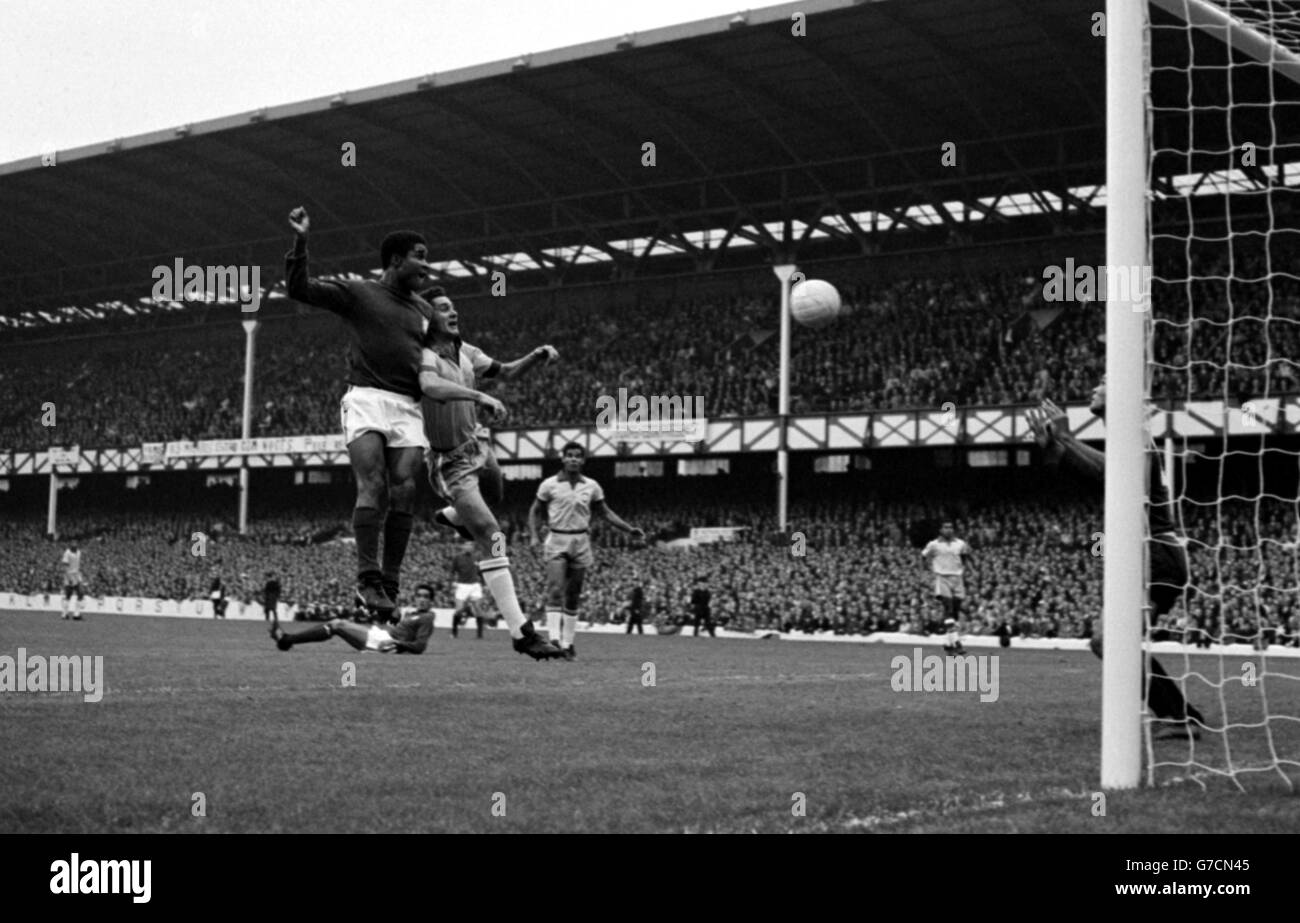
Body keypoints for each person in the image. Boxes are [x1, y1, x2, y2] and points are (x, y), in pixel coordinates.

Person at [1028, 378, 1206, 740]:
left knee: (1110, 640)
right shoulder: (1128, 439)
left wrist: (1066, 440)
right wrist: (1057, 447)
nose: (1093, 388)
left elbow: (1112, 475)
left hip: (1155, 555)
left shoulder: (1136, 438)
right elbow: (1102, 473)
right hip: (1144, 555)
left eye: (1104, 382)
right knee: (1105, 640)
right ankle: (1180, 714)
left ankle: (1177, 717)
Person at [285, 206, 434, 617]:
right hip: (367, 398)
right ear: (396, 259)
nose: (427, 264)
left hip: (408, 406)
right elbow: (300, 289)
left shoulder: (426, 312)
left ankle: (389, 581)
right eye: (420, 255)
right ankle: (367, 582)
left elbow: (447, 360)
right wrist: (301, 242)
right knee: (373, 483)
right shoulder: (359, 293)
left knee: (404, 488)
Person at [417, 286, 564, 660]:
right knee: (492, 533)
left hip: (480, 450)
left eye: (453, 306)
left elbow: (508, 372)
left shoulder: (468, 352)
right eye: (444, 308)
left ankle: (452, 516)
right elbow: (431, 386)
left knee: (497, 495)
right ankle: (521, 631)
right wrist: (480, 397)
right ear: (427, 318)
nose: (453, 312)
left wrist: (535, 354)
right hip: (449, 462)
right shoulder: (425, 356)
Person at [529, 442, 643, 659]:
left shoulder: (591, 486)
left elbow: (606, 512)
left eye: (577, 456)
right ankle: (553, 641)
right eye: (569, 455)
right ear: (563, 458)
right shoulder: (549, 485)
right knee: (555, 589)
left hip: (581, 539)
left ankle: (568, 644)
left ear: (582, 460)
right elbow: (535, 510)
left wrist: (628, 529)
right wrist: (534, 535)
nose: (573, 459)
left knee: (573, 595)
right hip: (557, 537)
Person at [271, 584, 436, 654]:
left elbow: (420, 646)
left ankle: (287, 640)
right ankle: (287, 640)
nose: (421, 599)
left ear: (431, 600)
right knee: (335, 623)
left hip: (384, 643)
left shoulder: (427, 617)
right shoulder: (413, 613)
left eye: (426, 597)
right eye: (419, 595)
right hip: (383, 635)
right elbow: (403, 632)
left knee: (337, 624)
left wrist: (399, 645)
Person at [921, 521, 975, 631]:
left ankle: (949, 634)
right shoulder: (933, 544)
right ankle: (949, 636)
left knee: (956, 608)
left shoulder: (960, 543)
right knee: (948, 605)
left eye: (950, 527)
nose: (948, 530)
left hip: (957, 578)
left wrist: (972, 571)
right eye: (946, 527)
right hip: (942, 577)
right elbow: (923, 557)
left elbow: (965, 558)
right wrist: (924, 572)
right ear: (941, 530)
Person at [449, 541, 486, 639]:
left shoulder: (477, 557)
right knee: (459, 610)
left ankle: (479, 634)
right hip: (462, 585)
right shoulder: (457, 558)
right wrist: (452, 583)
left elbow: (481, 572)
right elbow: (452, 572)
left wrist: (484, 584)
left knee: (478, 608)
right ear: (463, 547)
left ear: (473, 548)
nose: (469, 547)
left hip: (475, 585)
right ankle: (454, 632)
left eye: (471, 546)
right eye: (467, 545)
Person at [60, 543, 84, 621]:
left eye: (76, 545)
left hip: (77, 574)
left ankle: (76, 614)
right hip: (69, 574)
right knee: (68, 594)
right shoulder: (67, 553)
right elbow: (65, 566)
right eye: (73, 545)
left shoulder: (79, 552)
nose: (75, 546)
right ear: (70, 546)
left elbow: (77, 564)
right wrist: (69, 578)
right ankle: (65, 613)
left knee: (81, 592)